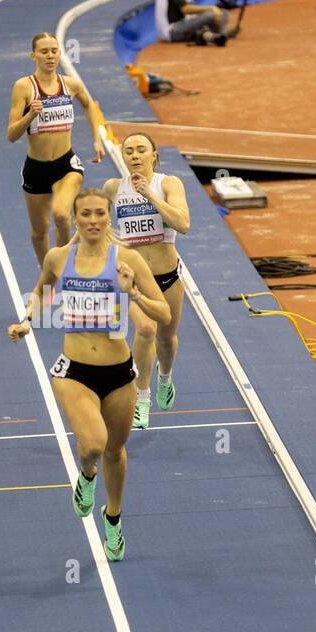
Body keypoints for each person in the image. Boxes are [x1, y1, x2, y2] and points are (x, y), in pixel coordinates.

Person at [8, 187, 170, 560]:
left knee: (115, 450)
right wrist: (26, 321)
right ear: (76, 218)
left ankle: (112, 517)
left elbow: (163, 315)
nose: (93, 220)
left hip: (119, 373)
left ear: (108, 217)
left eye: (100, 214)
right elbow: (41, 291)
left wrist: (135, 296)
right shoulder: (58, 257)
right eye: (86, 214)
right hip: (74, 371)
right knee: (95, 444)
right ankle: (86, 473)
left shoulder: (127, 260)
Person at [104, 132, 190, 428]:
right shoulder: (114, 187)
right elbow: (97, 223)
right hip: (136, 279)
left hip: (167, 275)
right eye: (128, 151)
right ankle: (142, 397)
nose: (135, 156)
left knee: (166, 338)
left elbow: (183, 224)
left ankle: (164, 377)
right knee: (144, 330)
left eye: (141, 150)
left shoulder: (168, 184)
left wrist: (151, 197)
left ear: (154, 155)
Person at [8, 32, 105, 263]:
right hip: (36, 168)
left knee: (61, 214)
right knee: (39, 231)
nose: (50, 56)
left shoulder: (70, 84)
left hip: (66, 165)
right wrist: (30, 114)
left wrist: (97, 139)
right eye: (44, 52)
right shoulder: (23, 87)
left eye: (54, 51)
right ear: (33, 55)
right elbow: (12, 135)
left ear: (60, 54)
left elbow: (89, 106)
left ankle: (64, 267)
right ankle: (48, 272)